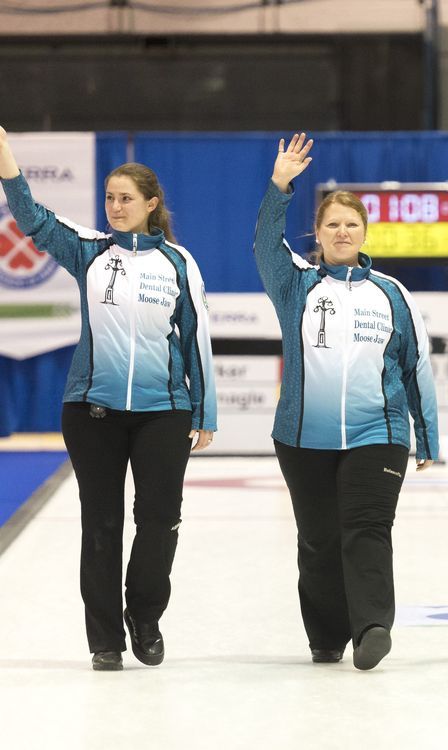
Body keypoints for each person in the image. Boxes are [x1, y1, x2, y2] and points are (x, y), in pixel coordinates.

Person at [0, 127, 217, 672]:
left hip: (163, 413)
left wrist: (204, 412)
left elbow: (196, 340)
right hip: (91, 412)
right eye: (110, 198)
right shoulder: (89, 252)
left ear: (151, 204)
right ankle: (104, 641)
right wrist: (7, 161)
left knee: (161, 519)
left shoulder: (179, 264)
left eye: (126, 199)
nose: (116, 207)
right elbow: (32, 218)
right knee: (100, 525)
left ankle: (144, 616)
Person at [256, 134, 439, 671]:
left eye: (351, 224)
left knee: (367, 529)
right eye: (332, 224)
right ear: (317, 232)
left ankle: (373, 627)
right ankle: (327, 635)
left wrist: (427, 435)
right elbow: (266, 245)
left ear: (365, 233)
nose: (341, 231)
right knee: (317, 541)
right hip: (302, 437)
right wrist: (278, 187)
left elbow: (414, 366)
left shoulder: (391, 293)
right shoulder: (295, 285)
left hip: (376, 433)